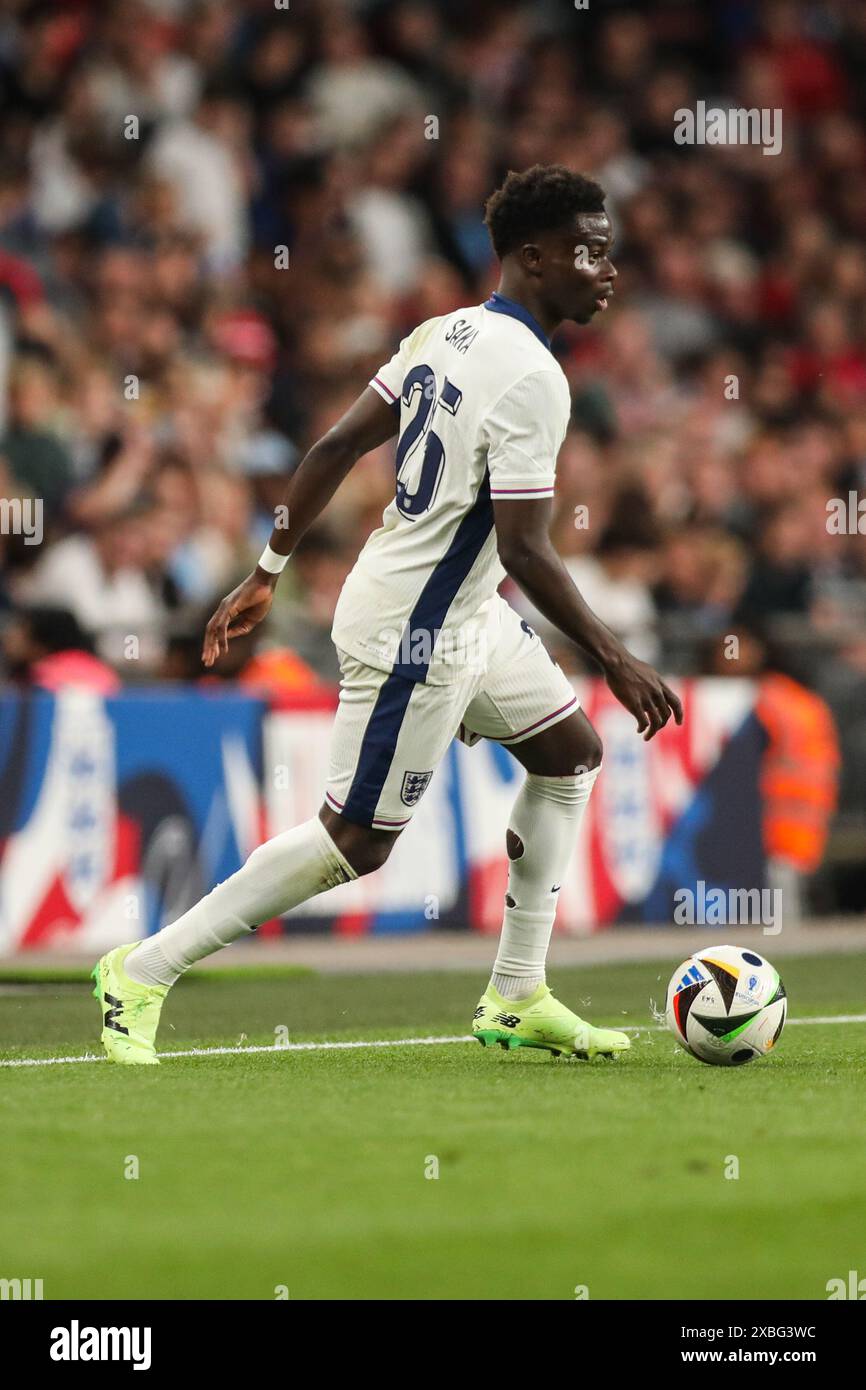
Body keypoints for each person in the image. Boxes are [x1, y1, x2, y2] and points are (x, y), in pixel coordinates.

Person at [91, 165, 682, 1065]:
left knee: (568, 755)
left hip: (461, 610)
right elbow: (527, 548)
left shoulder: (443, 331)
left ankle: (518, 993)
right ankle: (144, 968)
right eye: (589, 253)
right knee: (355, 842)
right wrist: (615, 655)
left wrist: (268, 566)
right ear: (533, 256)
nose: (607, 271)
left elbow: (334, 445)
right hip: (418, 626)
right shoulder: (535, 379)